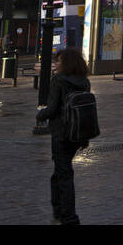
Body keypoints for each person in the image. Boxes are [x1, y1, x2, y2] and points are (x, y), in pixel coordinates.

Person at [36, 48, 91, 225]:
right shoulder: (84, 81)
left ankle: (69, 217)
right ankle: (58, 208)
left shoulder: (58, 81)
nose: (55, 64)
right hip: (78, 133)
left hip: (61, 133)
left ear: (66, 63)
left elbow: (52, 109)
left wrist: (40, 114)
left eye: (58, 61)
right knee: (60, 171)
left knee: (64, 174)